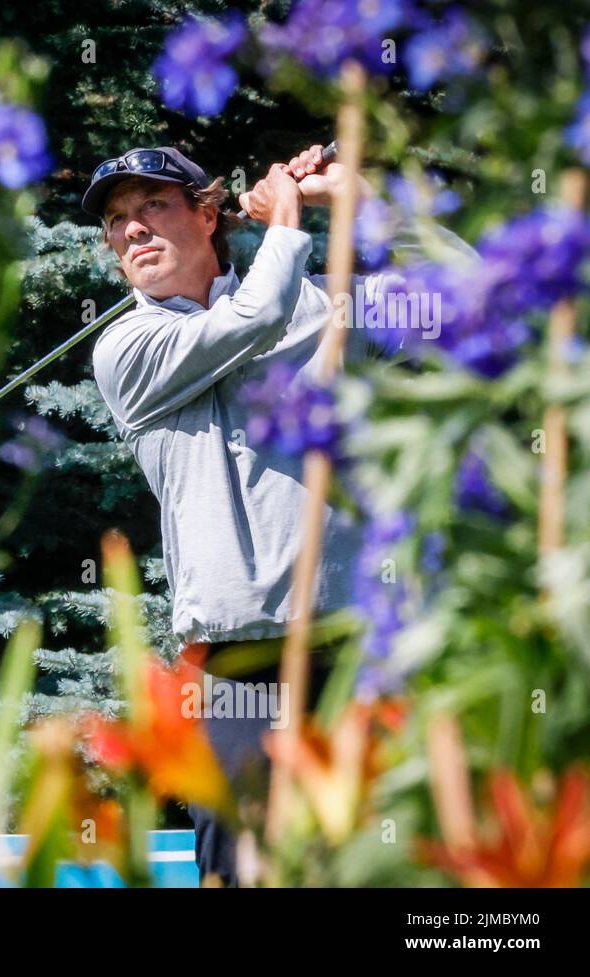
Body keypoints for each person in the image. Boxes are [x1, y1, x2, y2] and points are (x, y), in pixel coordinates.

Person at [82, 144, 466, 884]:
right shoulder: (126, 348)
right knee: (244, 871)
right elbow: (252, 320)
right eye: (117, 219)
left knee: (394, 870)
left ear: (207, 213)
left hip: (361, 655)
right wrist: (287, 224)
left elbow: (468, 289)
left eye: (153, 205)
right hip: (235, 670)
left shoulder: (325, 306)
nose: (132, 229)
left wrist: (356, 200)